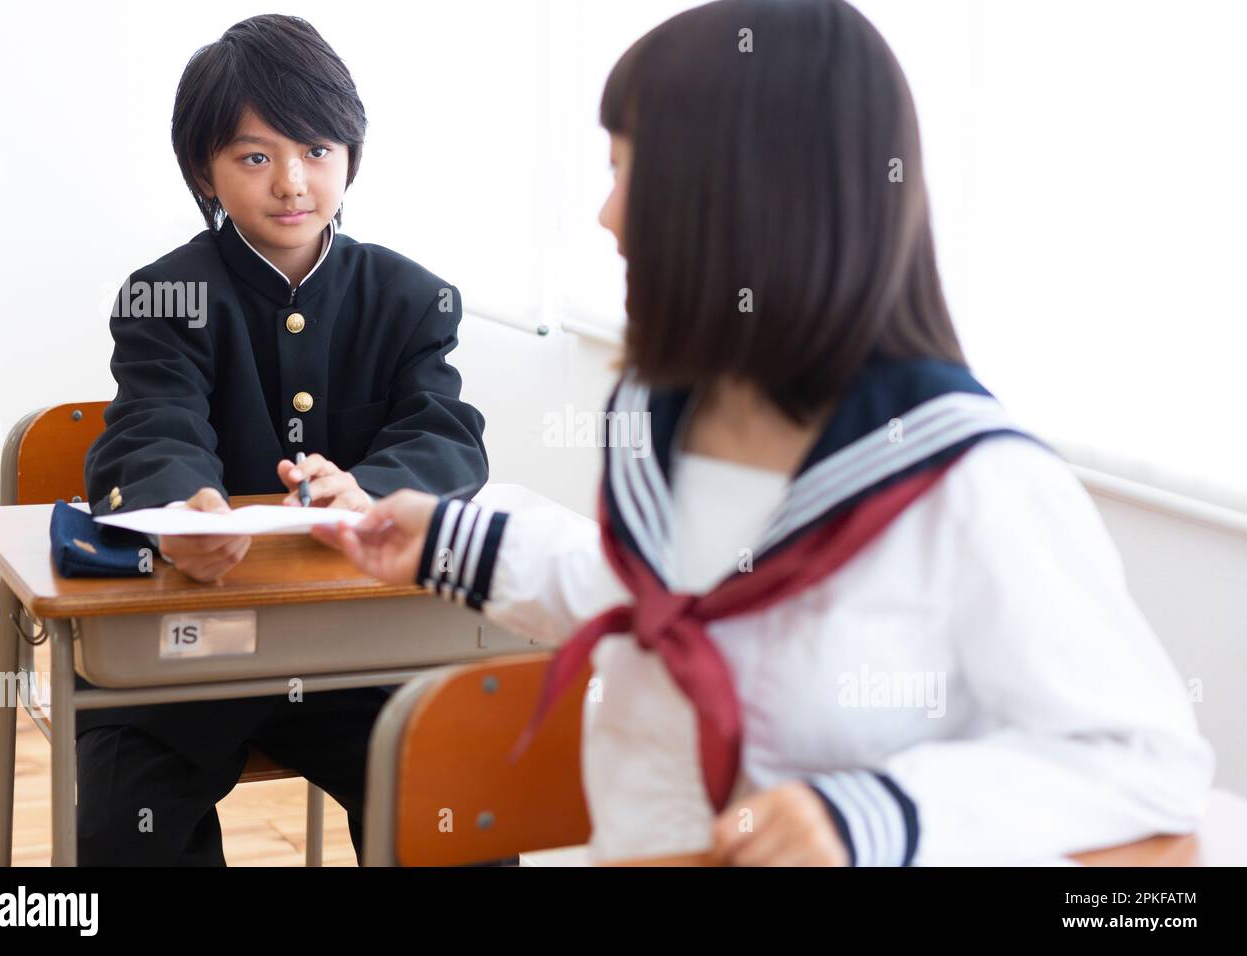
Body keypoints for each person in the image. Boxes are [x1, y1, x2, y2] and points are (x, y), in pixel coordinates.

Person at [313, 0, 1213, 865]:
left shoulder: (970, 482)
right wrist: (454, 541)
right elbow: (666, 607)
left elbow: (1139, 760)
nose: (606, 216)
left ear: (746, 197)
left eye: (629, 173)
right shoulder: (671, 413)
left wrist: (874, 815)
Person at [77, 14, 488, 865]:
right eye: (255, 156)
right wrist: (181, 509)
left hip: (361, 653)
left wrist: (373, 488)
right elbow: (154, 424)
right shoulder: (165, 294)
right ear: (205, 170)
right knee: (126, 828)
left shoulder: (411, 297)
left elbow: (443, 432)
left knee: (458, 801)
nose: (293, 182)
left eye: (318, 149)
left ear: (351, 156)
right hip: (187, 653)